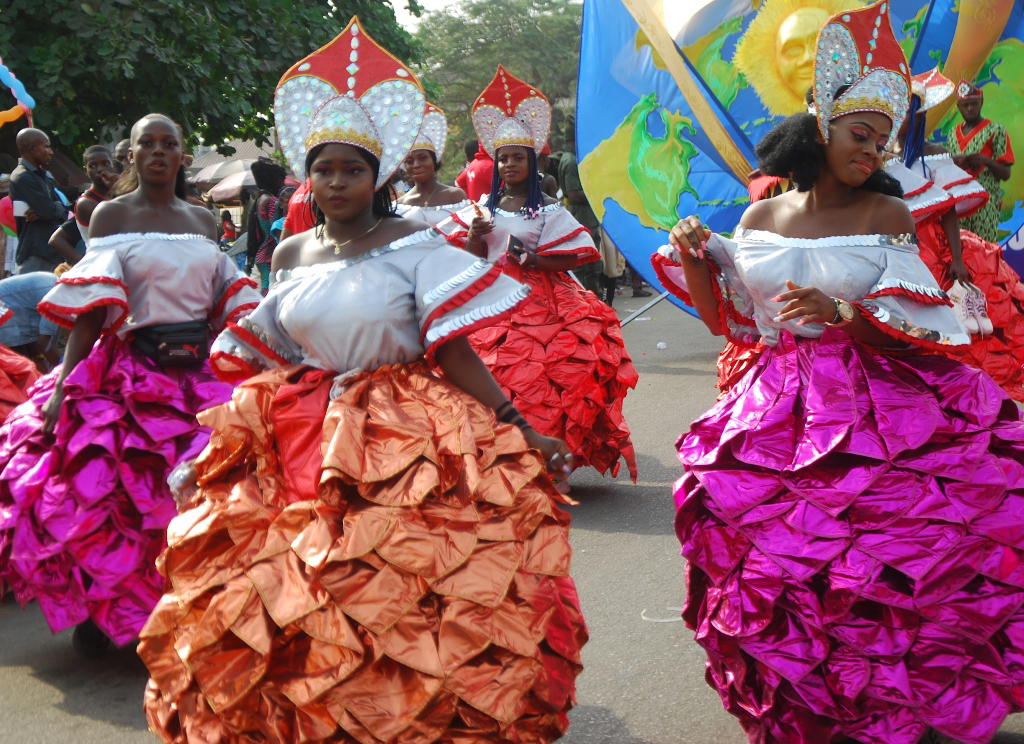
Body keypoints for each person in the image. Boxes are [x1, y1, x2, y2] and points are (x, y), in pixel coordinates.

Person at [139, 20, 586, 742]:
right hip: (301, 432)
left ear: (375, 175)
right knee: (290, 591)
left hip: (411, 437)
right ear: (307, 176)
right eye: (324, 169)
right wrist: (211, 456)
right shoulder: (287, 255)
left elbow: (452, 350)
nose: (337, 182)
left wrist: (515, 422)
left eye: (351, 169)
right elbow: (275, 361)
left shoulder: (414, 244)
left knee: (414, 590)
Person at [657, 4, 1024, 742]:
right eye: (861, 134)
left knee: (905, 546)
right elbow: (733, 323)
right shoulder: (760, 221)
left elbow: (924, 320)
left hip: (882, 400)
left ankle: (908, 696)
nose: (873, 150)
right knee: (787, 557)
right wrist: (696, 254)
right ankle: (826, 700)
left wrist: (846, 312)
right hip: (779, 400)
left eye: (883, 139)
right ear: (821, 128)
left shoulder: (888, 212)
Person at [0, 113, 261, 654]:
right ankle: (106, 617)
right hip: (126, 372)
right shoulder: (111, 215)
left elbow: (221, 306)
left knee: (203, 492)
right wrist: (65, 382)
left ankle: (192, 606)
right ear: (132, 156)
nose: (160, 152)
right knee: (108, 496)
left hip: (196, 374)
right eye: (149, 144)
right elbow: (93, 308)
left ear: (183, 156)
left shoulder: (204, 221)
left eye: (171, 144)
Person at [438, 66, 638, 483]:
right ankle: (498, 457)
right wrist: (476, 236)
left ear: (532, 161)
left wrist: (532, 259)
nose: (509, 164)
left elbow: (577, 255)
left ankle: (549, 457)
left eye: (517, 157)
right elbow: (469, 258)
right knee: (485, 372)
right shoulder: (481, 210)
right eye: (503, 158)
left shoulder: (547, 209)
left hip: (543, 302)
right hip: (488, 300)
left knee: (555, 374)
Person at [886, 67, 1024, 401]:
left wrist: (958, 260)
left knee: (962, 314)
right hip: (906, 249)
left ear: (916, 116)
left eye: (904, 112)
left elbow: (947, 209)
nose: (898, 119)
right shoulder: (886, 158)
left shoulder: (932, 153)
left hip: (940, 247)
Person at [947, 80, 1015, 242]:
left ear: (981, 102)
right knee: (960, 251)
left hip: (985, 202)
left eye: (974, 104)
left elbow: (1006, 174)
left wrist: (985, 160)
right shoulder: (952, 133)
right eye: (965, 105)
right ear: (959, 106)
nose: (970, 108)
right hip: (959, 202)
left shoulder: (996, 130)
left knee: (984, 252)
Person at [396, 102, 470, 223]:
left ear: (434, 161)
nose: (416, 165)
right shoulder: (400, 204)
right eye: (409, 161)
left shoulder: (455, 196)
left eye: (423, 158)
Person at [8, 128, 69, 273]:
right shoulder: (22, 177)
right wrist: (55, 208)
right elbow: (50, 211)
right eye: (46, 146)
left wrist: (55, 208)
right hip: (37, 254)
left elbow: (62, 210)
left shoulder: (44, 175)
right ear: (31, 149)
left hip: (52, 252)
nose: (51, 152)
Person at [244, 159, 286, 292]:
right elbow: (274, 227)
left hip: (262, 251)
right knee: (268, 290)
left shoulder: (259, 199)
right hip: (269, 253)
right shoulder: (272, 201)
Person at [74, 145, 117, 244]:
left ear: (113, 165)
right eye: (93, 166)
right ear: (86, 171)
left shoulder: (116, 193)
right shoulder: (85, 203)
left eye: (105, 164)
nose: (100, 169)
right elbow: (120, 225)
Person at [455, 139, 494, 203]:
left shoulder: (472, 164)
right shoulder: (490, 165)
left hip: (475, 209)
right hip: (488, 209)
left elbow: (458, 183)